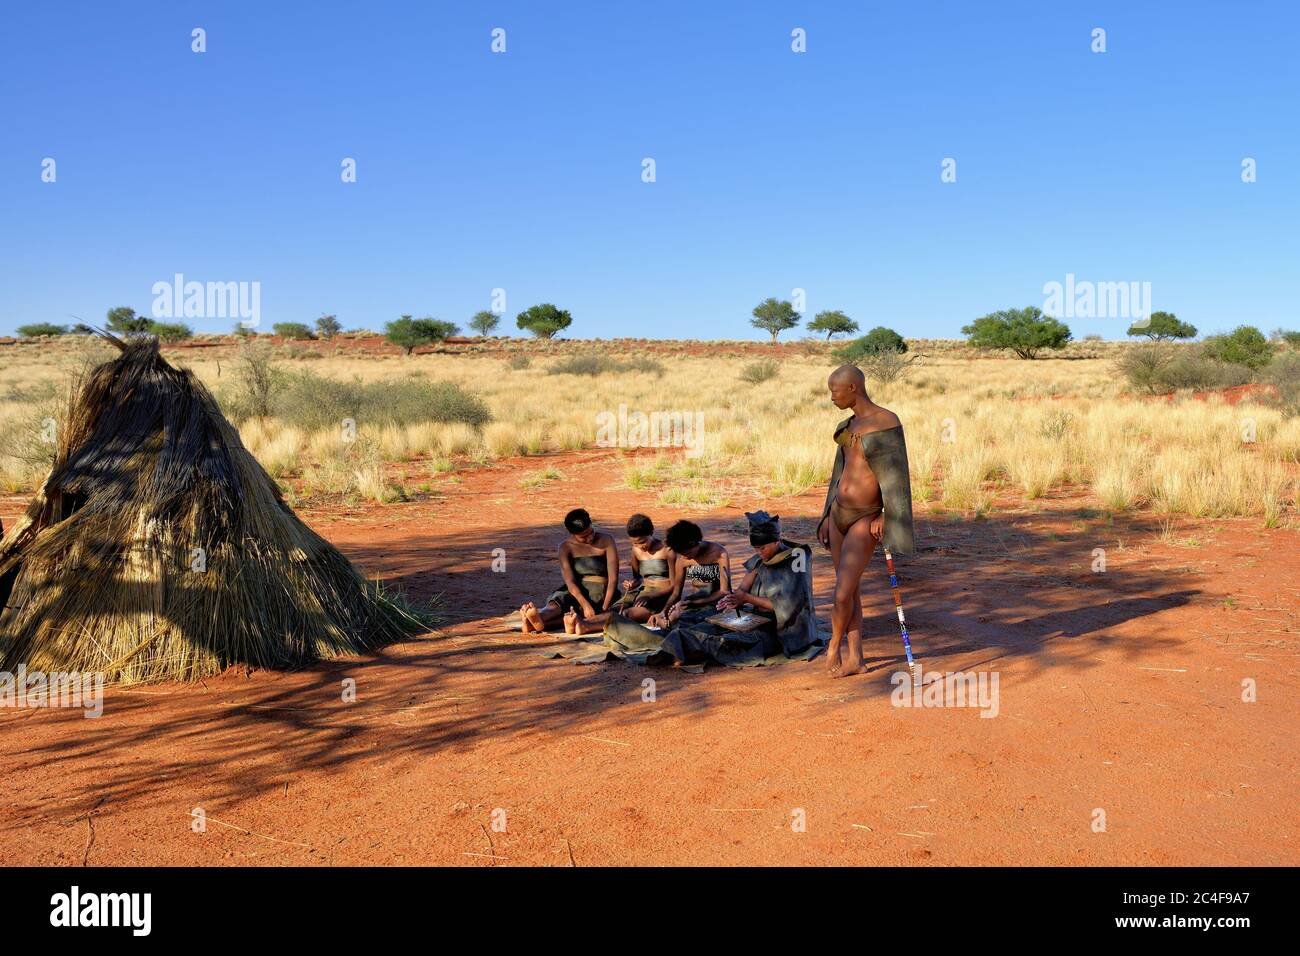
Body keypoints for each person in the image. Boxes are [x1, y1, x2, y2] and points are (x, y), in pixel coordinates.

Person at [599, 510, 822, 667]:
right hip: (750, 617)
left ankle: (675, 644)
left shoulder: (795, 561)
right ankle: (662, 638)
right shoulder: (759, 560)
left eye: (762, 547)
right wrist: (734, 599)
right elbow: (741, 588)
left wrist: (744, 598)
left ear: (776, 541)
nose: (759, 552)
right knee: (698, 626)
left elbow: (786, 608)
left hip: (780, 630)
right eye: (755, 548)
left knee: (723, 641)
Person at [816, 364, 915, 677]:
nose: (831, 397)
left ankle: (833, 645)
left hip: (864, 517)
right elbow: (839, 474)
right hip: (838, 514)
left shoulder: (886, 421)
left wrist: (887, 513)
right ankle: (856, 657)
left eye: (835, 391)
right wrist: (825, 514)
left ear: (852, 388)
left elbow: (897, 476)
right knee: (851, 590)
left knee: (842, 593)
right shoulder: (848, 424)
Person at [564, 513, 675, 634]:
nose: (640, 546)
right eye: (635, 543)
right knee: (613, 610)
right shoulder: (635, 550)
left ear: (651, 532)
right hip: (641, 593)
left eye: (643, 542)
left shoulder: (667, 550)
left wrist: (650, 596)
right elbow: (638, 578)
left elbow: (674, 586)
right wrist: (632, 583)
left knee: (626, 614)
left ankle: (587, 626)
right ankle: (581, 623)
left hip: (660, 597)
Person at [520, 508, 619, 634]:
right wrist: (585, 604)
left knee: (579, 614)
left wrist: (605, 607)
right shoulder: (565, 547)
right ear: (572, 534)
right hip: (575, 591)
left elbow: (613, 579)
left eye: (591, 532)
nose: (589, 538)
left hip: (600, 593)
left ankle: (532, 622)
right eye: (583, 537)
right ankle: (539, 615)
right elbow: (570, 582)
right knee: (557, 605)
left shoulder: (606, 540)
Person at [656, 519, 730, 627]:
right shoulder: (682, 559)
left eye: (688, 553)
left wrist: (694, 603)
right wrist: (664, 611)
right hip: (694, 603)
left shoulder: (718, 553)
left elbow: (725, 591)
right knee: (668, 621)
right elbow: (676, 593)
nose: (686, 557)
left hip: (716, 604)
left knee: (694, 626)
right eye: (682, 554)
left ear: (695, 542)